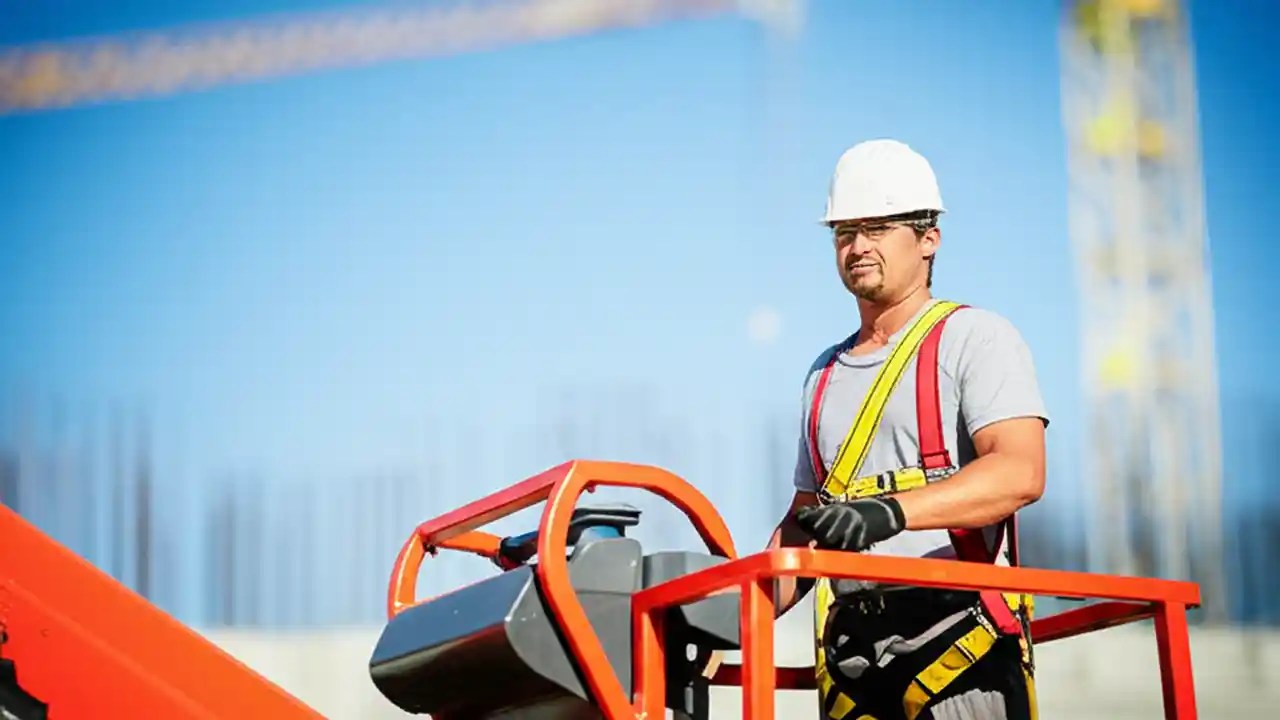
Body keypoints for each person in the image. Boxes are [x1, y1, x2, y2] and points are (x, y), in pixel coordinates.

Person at [766, 138, 1050, 720]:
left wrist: (889, 512)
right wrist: (720, 612)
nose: (858, 246)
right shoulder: (823, 374)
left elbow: (1019, 471)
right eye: (845, 231)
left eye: (878, 227)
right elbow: (802, 524)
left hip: (954, 646)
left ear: (929, 238)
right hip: (852, 662)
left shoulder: (975, 339)